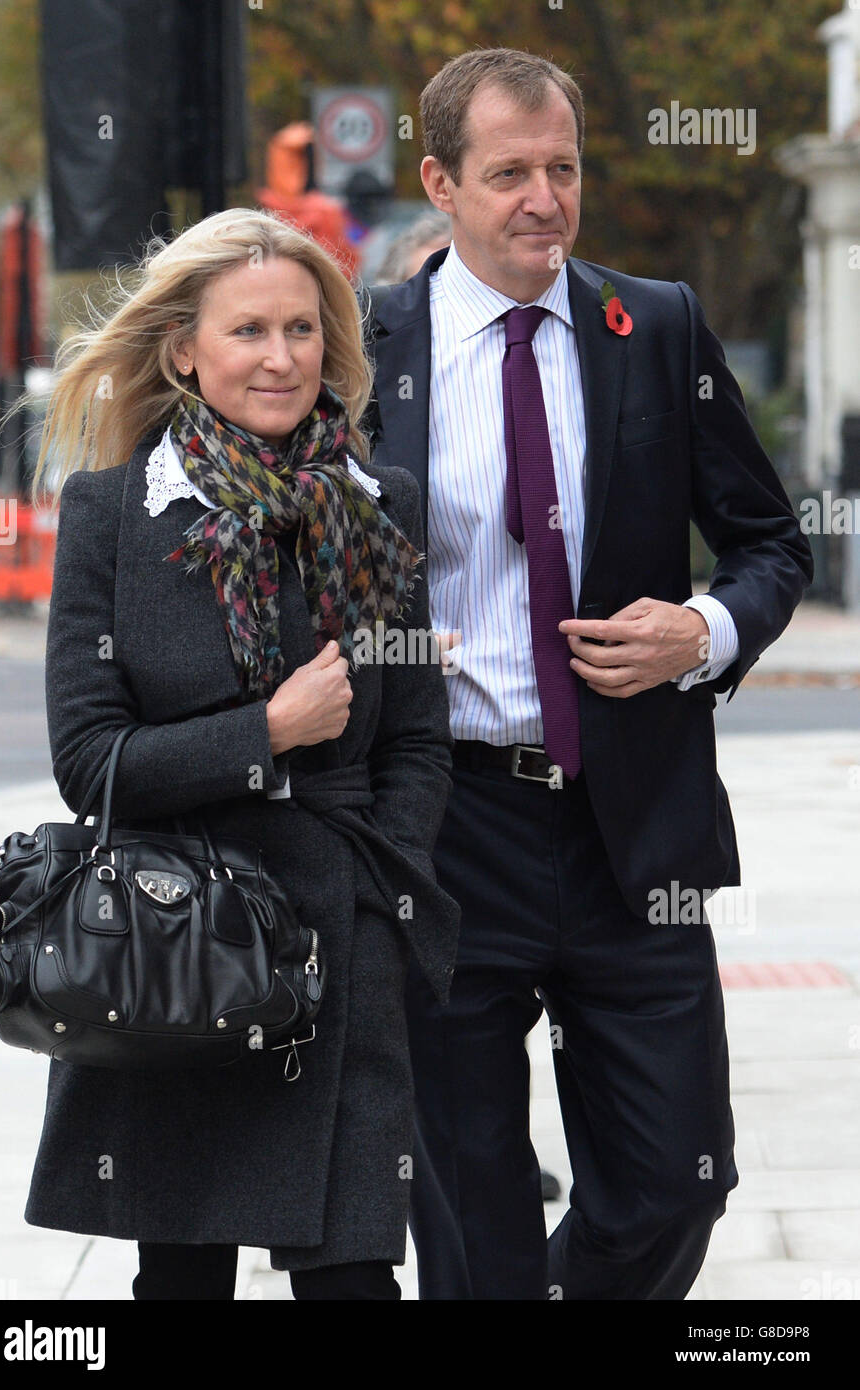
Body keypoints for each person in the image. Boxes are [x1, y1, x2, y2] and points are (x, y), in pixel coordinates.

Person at [364, 47, 813, 1300]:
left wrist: (706, 632)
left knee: (679, 1183)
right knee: (470, 1213)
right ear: (440, 183)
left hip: (634, 828)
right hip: (441, 829)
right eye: (509, 173)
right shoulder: (361, 343)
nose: (543, 200)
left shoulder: (653, 323)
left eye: (561, 168)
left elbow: (773, 542)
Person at [22, 207, 460, 1301]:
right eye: (249, 330)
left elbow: (414, 737)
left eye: (303, 330)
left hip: (341, 939)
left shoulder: (377, 503)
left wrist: (383, 895)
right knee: (181, 1280)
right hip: (178, 942)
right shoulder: (114, 512)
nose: (281, 357)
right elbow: (90, 761)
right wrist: (264, 734)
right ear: (185, 350)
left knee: (356, 1278)